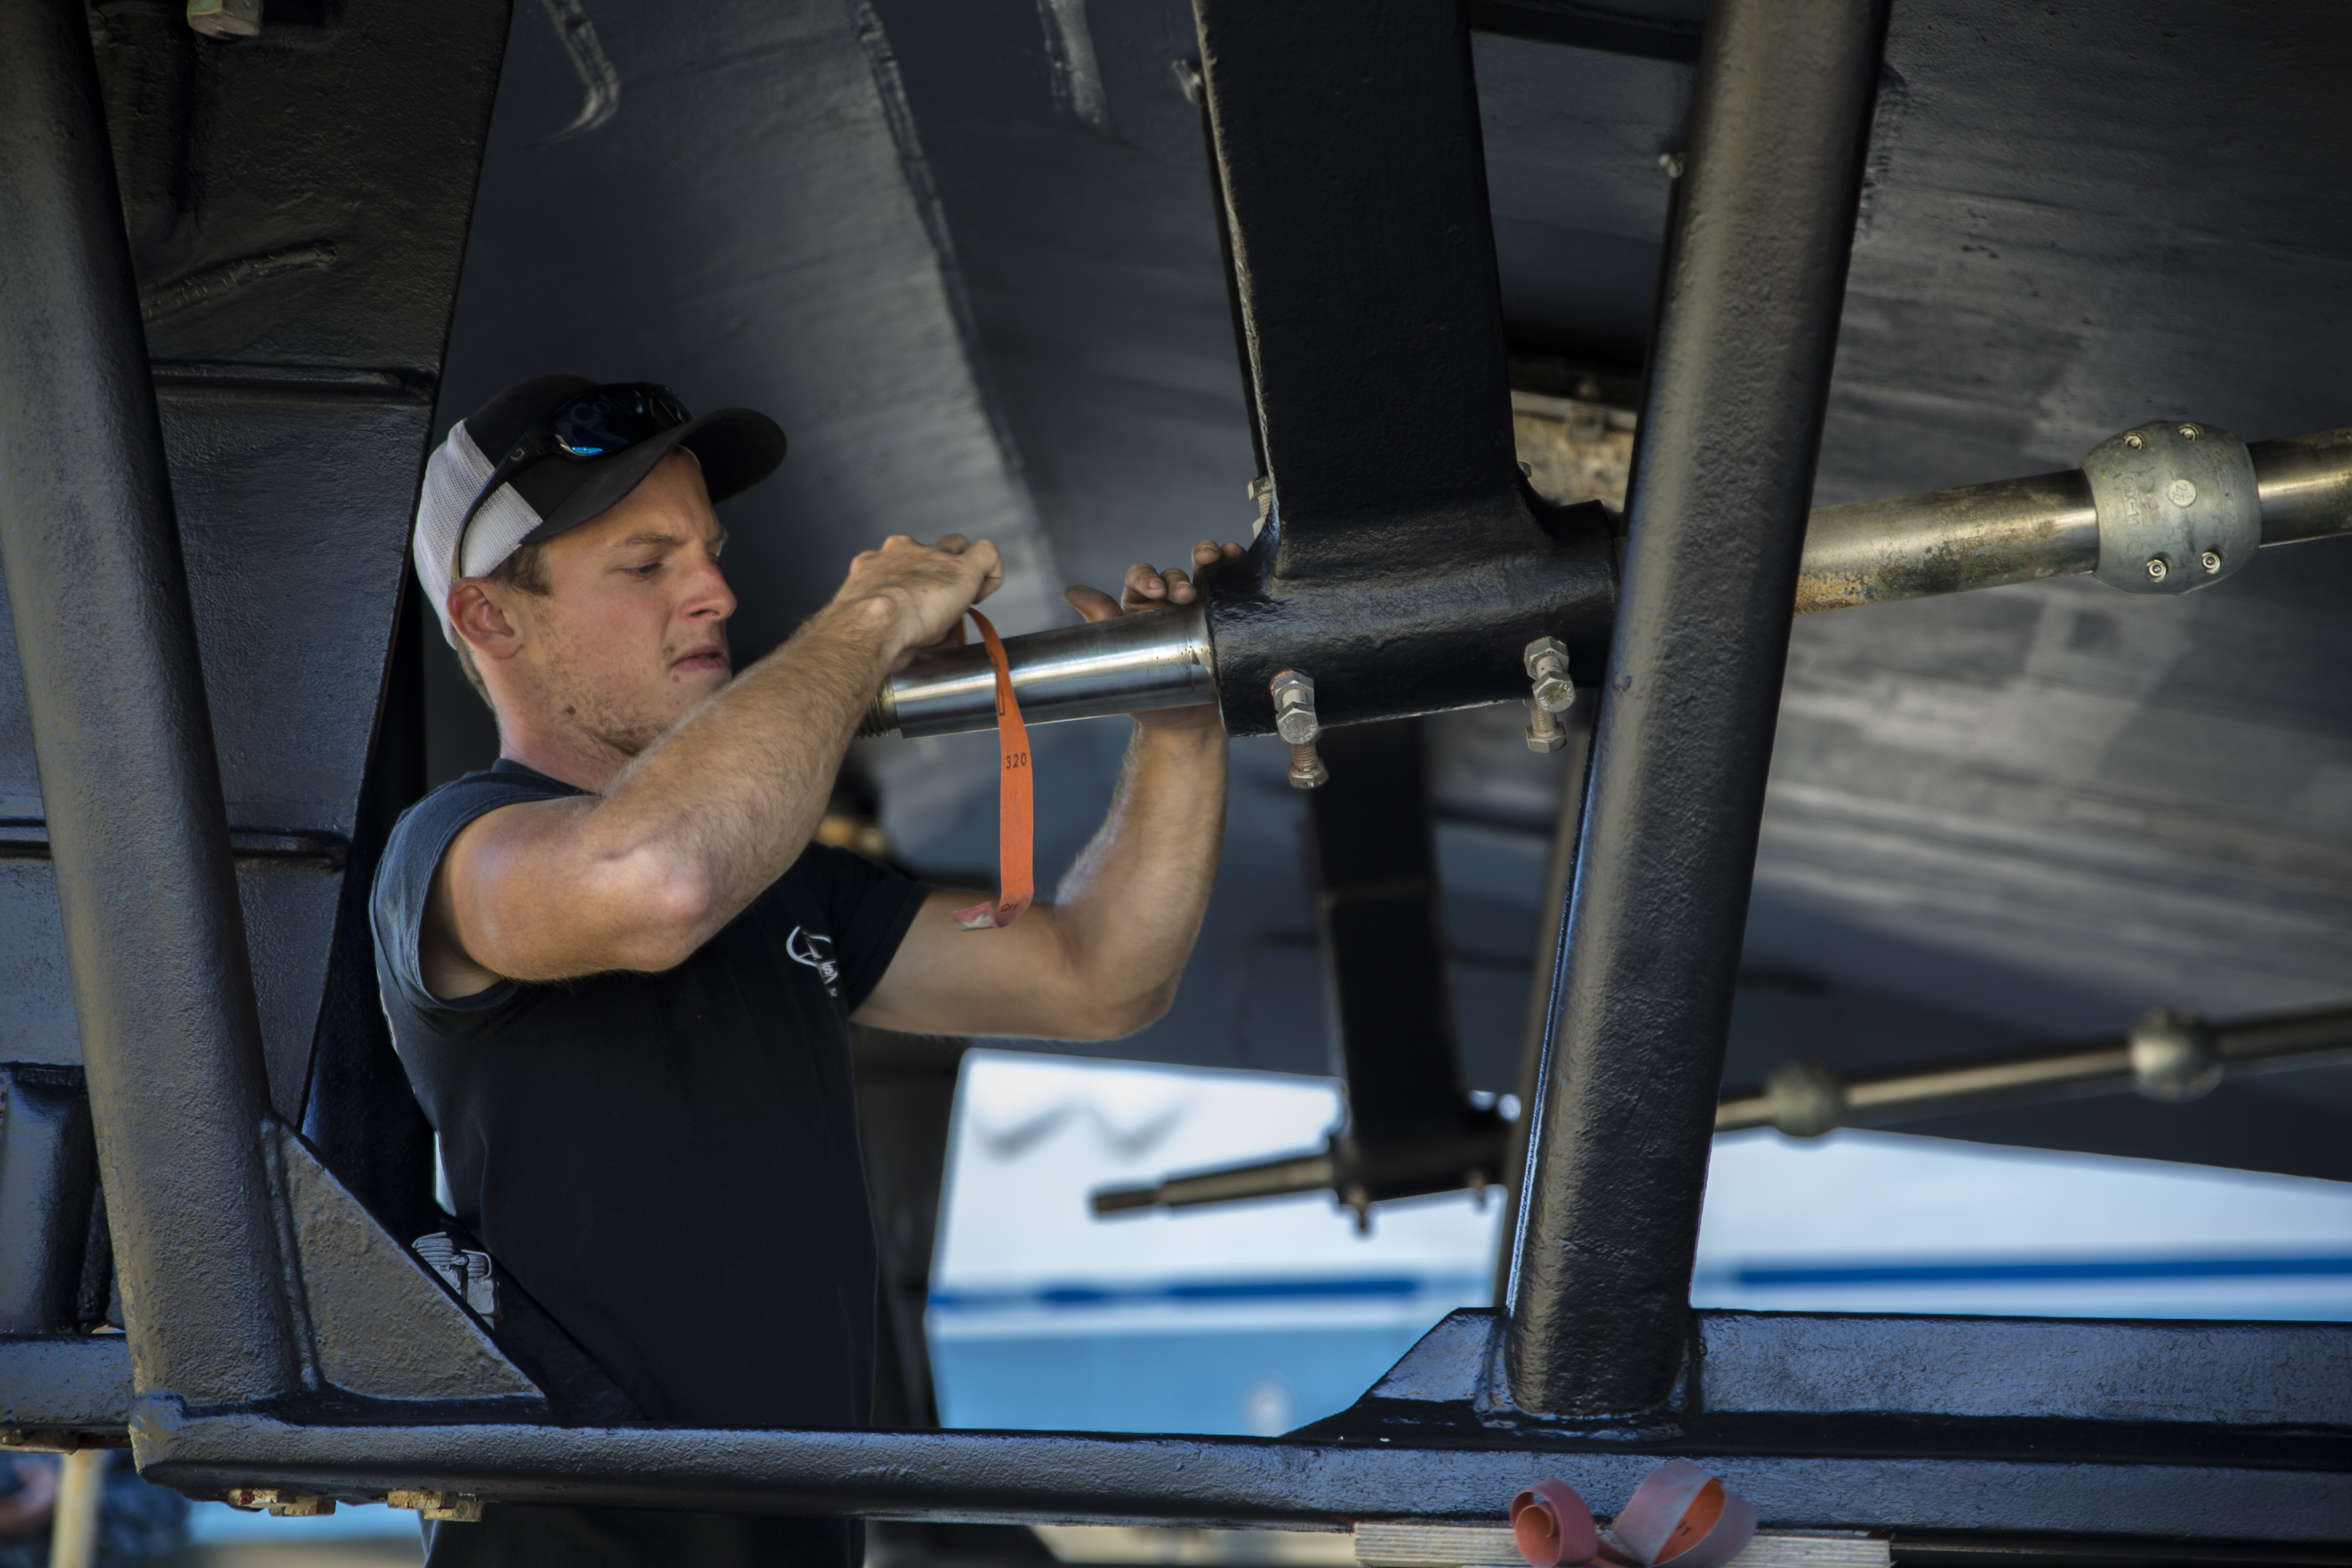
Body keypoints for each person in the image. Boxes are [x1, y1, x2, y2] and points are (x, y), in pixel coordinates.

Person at [371, 376, 1238, 1567]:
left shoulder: (782, 881)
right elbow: (657, 880)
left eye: (711, 553)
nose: (717, 592)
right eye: (646, 564)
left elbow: (1099, 976)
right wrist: (866, 620)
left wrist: (1180, 730)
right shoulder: (455, 850)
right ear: (490, 620)